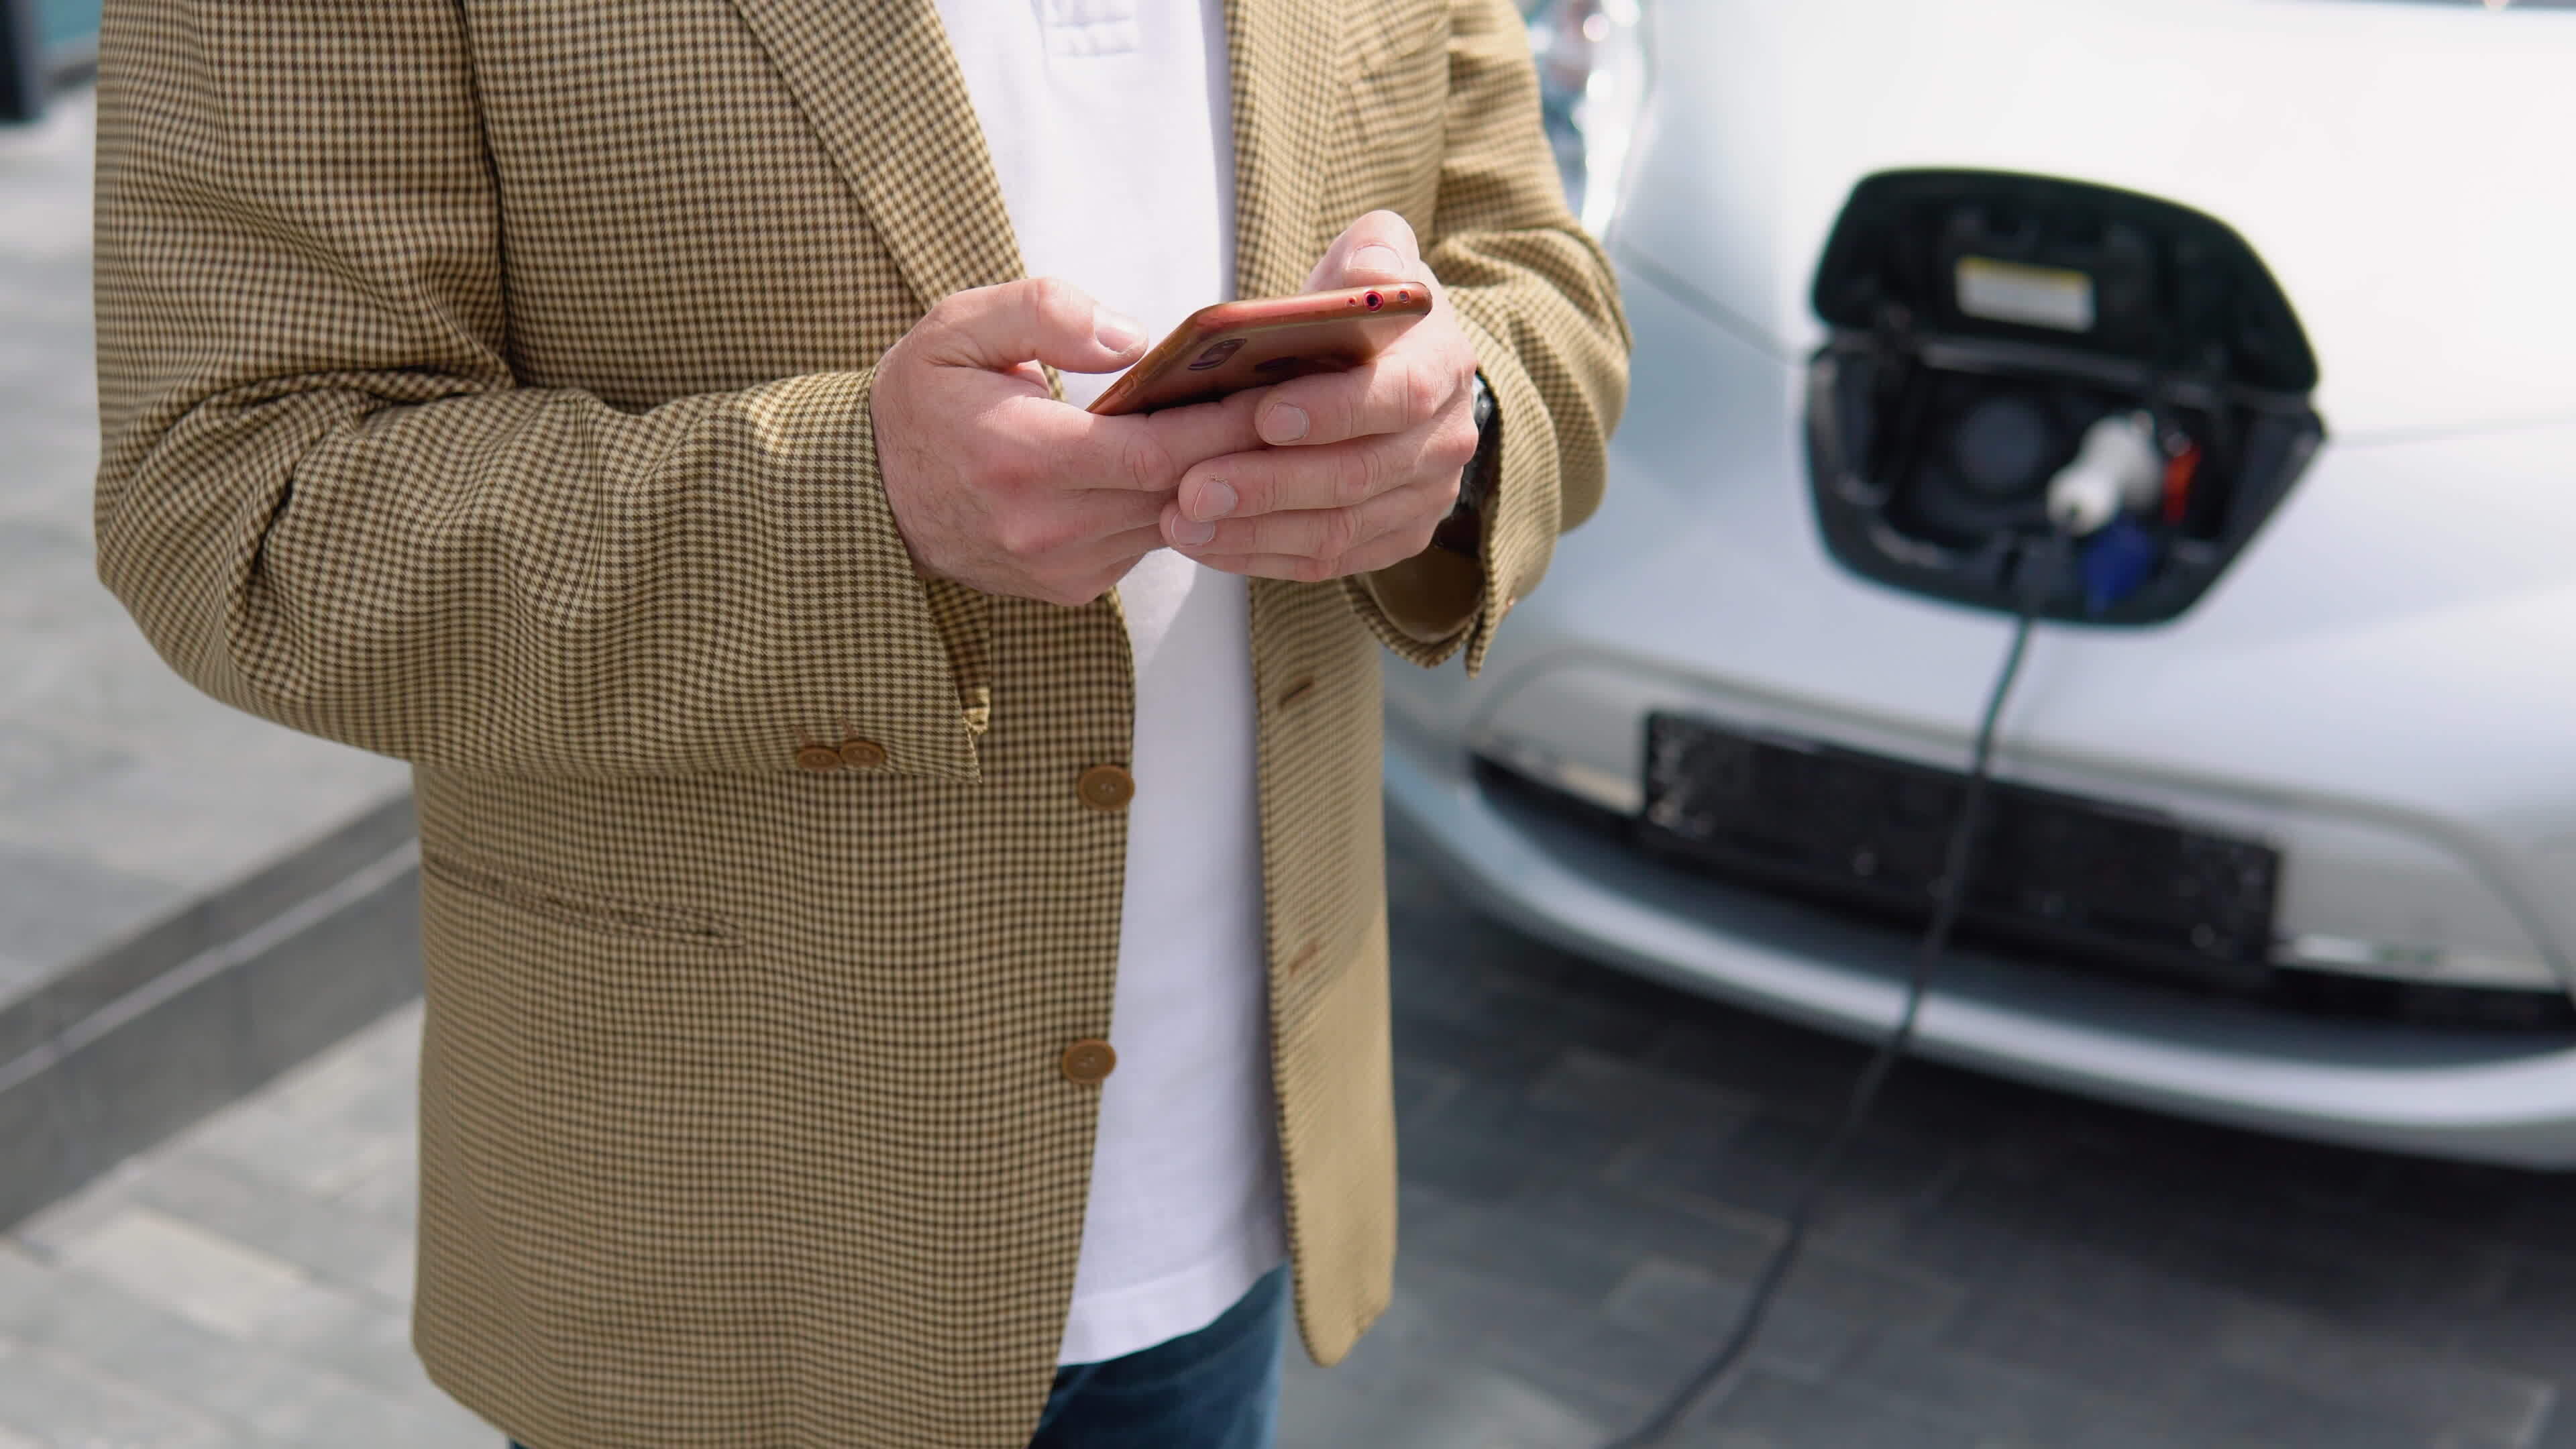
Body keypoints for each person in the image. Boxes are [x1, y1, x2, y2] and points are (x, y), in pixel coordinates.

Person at [89, 0, 1628, 1444]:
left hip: (1228, 1185)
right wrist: (858, 516)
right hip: (732, 1259)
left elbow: (1531, 271)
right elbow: (238, 499)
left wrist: (1463, 410)